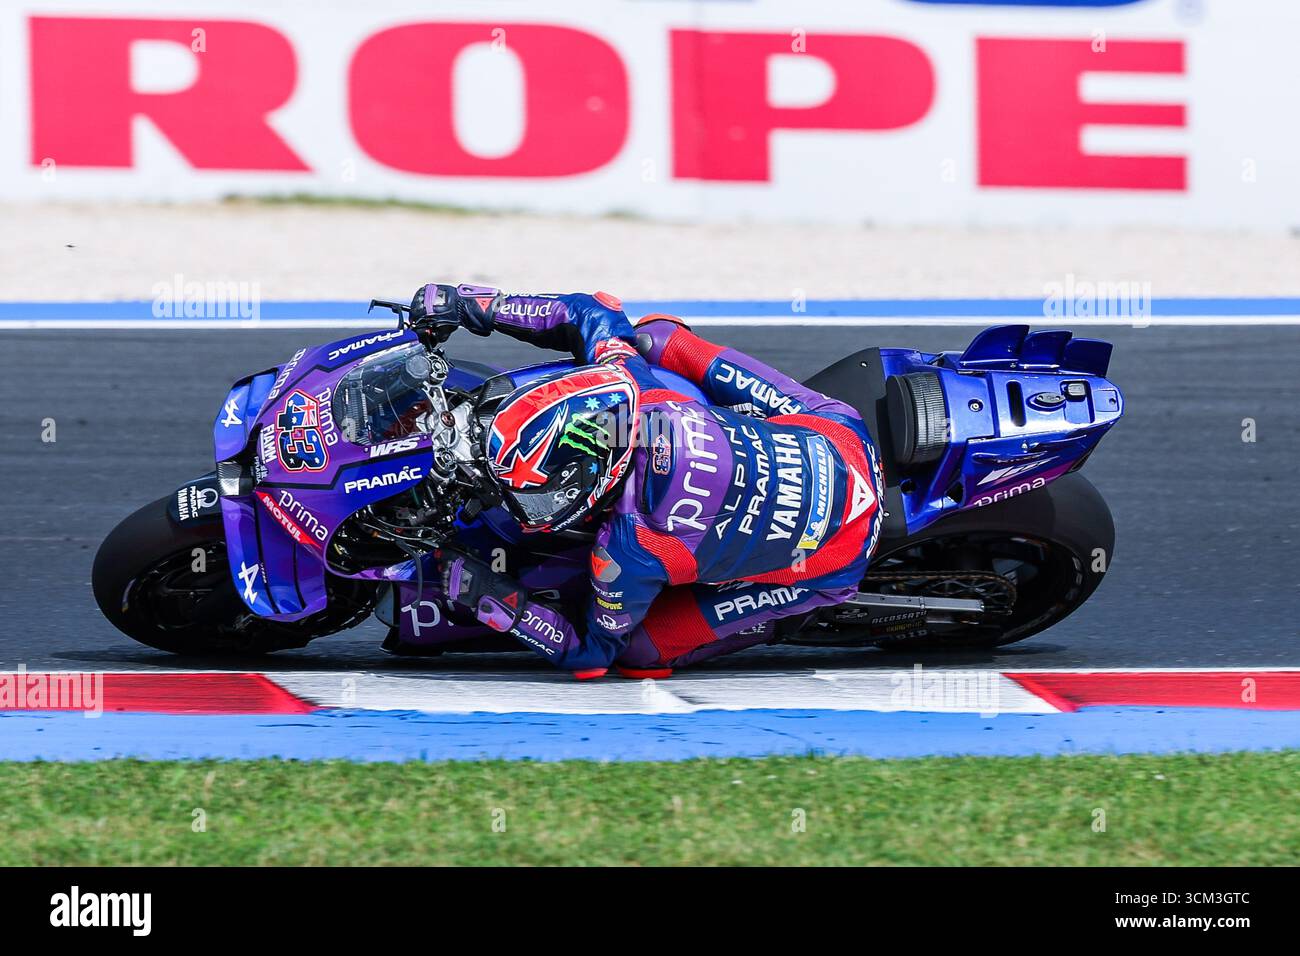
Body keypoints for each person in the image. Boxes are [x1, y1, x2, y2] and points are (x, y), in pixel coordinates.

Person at [413, 282, 884, 678]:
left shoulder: (629, 548)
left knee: (640, 654)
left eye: (532, 498)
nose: (525, 505)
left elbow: (594, 654)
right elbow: (590, 309)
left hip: (835, 555)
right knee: (657, 338)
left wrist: (496, 605)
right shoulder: (631, 379)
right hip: (836, 432)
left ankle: (798, 612)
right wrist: (478, 305)